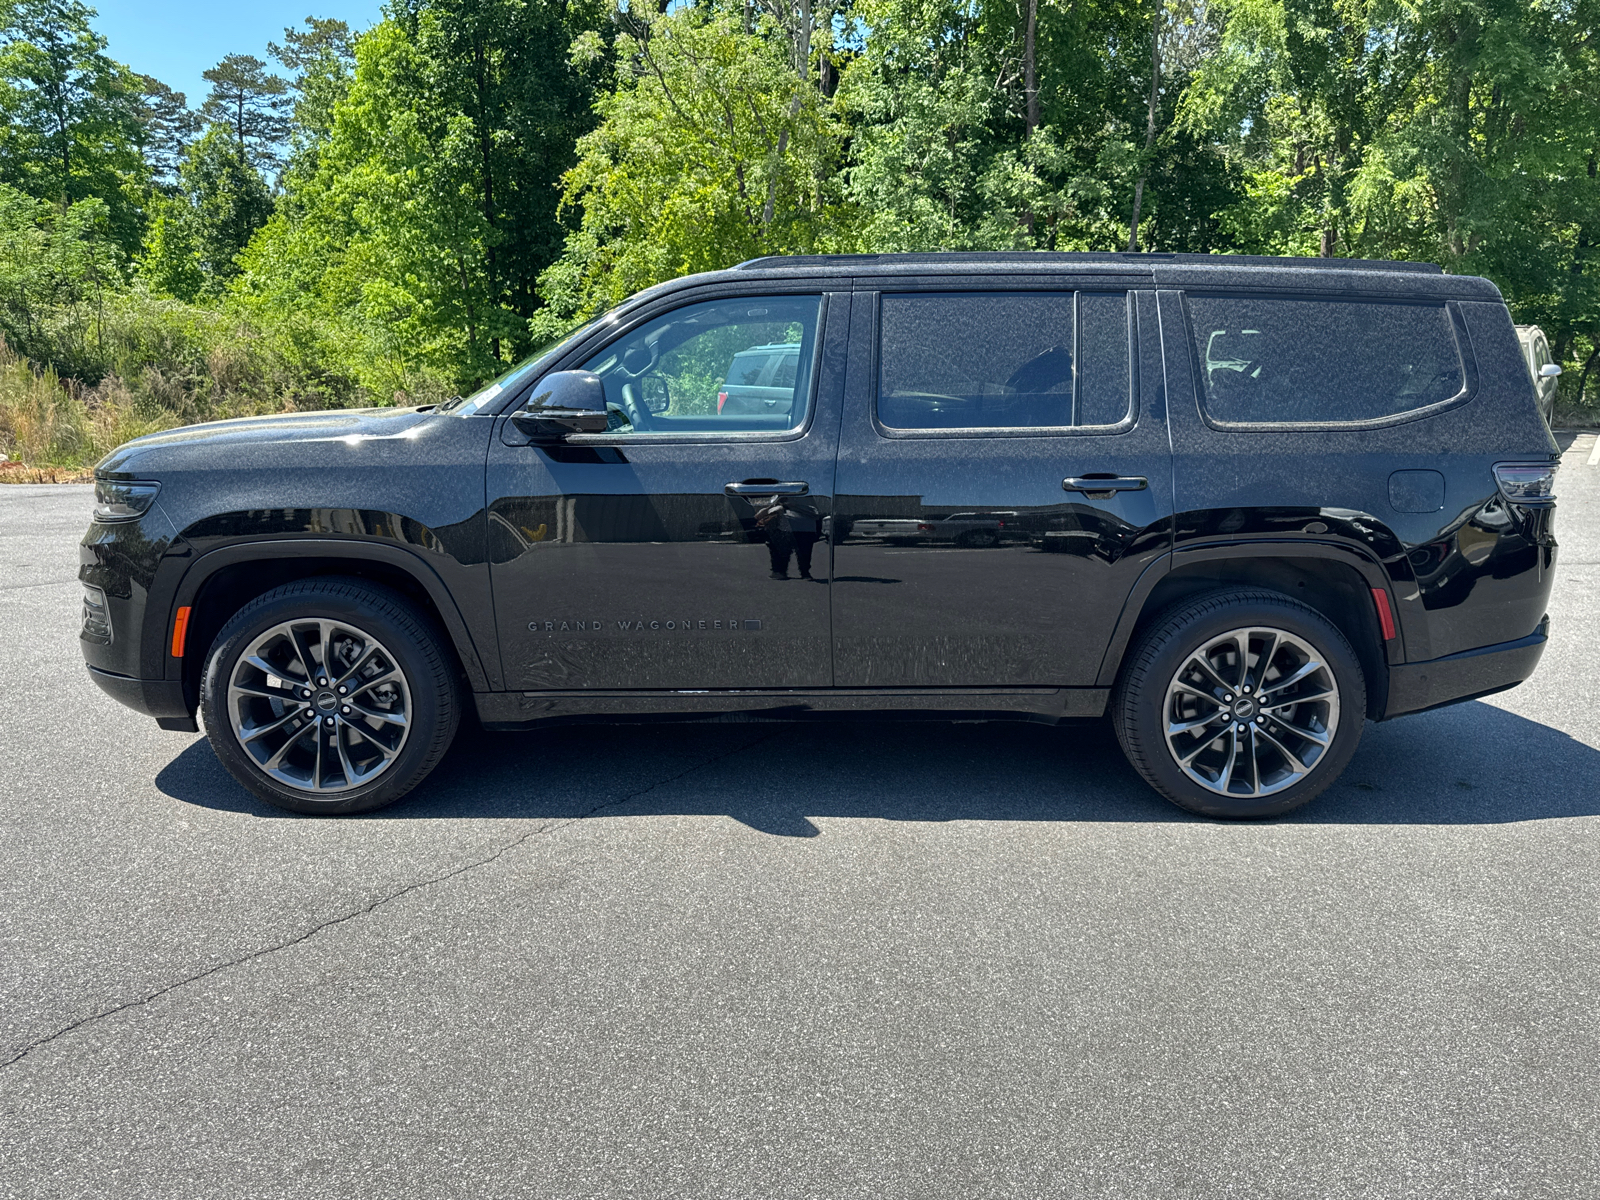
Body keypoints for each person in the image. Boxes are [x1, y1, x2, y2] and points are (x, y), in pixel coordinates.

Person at [755, 493, 821, 580]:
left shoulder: (807, 505)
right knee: (779, 551)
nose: (785, 499)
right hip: (782, 530)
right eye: (783, 498)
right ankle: (779, 572)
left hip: (804, 530)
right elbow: (758, 516)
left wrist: (793, 506)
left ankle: (805, 573)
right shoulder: (776, 507)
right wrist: (773, 505)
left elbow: (816, 515)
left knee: (804, 553)